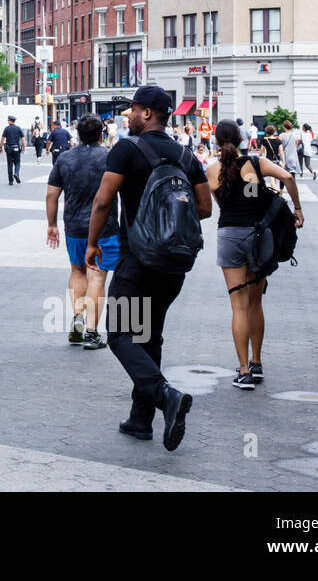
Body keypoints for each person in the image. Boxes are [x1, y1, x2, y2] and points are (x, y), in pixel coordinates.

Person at [86, 86, 212, 451]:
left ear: (146, 114)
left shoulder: (127, 149)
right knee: (149, 335)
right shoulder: (186, 155)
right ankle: (141, 420)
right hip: (173, 264)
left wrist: (93, 244)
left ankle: (164, 395)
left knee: (121, 334)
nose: (127, 116)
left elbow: (103, 200)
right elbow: (204, 207)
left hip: (137, 260)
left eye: (133, 110)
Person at [206, 121, 303, 392]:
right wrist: (297, 209)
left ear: (215, 140)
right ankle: (257, 362)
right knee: (255, 302)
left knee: (237, 305)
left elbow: (221, 203)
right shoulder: (256, 163)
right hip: (258, 237)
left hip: (229, 236)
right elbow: (288, 177)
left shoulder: (212, 169)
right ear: (241, 139)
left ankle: (244, 371)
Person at [46, 116, 120, 351]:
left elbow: (51, 195)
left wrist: (52, 224)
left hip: (74, 227)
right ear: (101, 134)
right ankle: (91, 331)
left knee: (77, 270)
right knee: (97, 277)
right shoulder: (111, 157)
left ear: (77, 134)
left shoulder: (65, 158)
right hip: (105, 229)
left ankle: (77, 316)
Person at [1, 115, 26, 185]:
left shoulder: (6, 128)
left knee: (10, 165)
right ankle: (16, 173)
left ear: (9, 121)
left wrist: (0, 147)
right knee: (17, 163)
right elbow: (23, 139)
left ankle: (10, 181)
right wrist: (24, 147)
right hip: (17, 148)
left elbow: (2, 138)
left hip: (9, 148)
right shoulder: (18, 128)